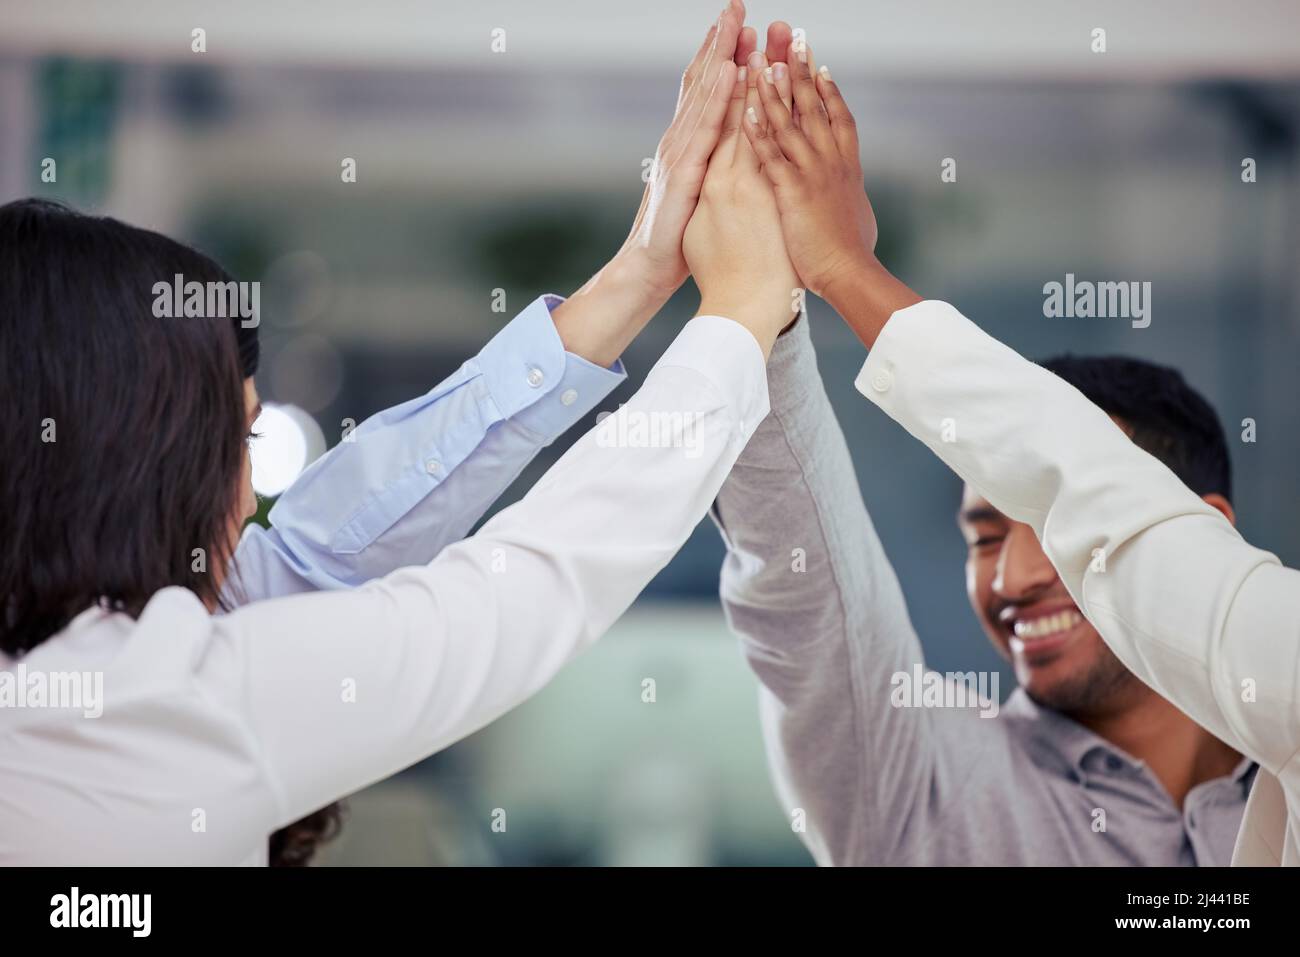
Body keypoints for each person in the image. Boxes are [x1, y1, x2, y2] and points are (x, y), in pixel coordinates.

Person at [0, 1, 787, 866]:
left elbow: (311, 556)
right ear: (137, 463)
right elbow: (525, 588)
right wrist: (740, 314)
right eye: (239, 444)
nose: (247, 491)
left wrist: (638, 275)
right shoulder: (156, 701)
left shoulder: (86, 676)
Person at [736, 32, 1300, 865]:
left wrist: (847, 268)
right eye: (984, 535)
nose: (1013, 577)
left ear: (1204, 525)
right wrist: (761, 313)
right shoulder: (922, 786)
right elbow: (810, 604)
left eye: (1059, 514)